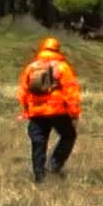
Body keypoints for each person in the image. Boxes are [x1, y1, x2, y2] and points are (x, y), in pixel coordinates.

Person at [17, 37, 82, 183]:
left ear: (42, 49)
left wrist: (27, 110)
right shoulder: (62, 67)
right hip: (57, 110)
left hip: (36, 112)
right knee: (69, 136)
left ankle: (39, 177)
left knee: (38, 142)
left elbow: (22, 91)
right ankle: (53, 166)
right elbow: (71, 92)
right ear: (57, 49)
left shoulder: (31, 67)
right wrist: (74, 113)